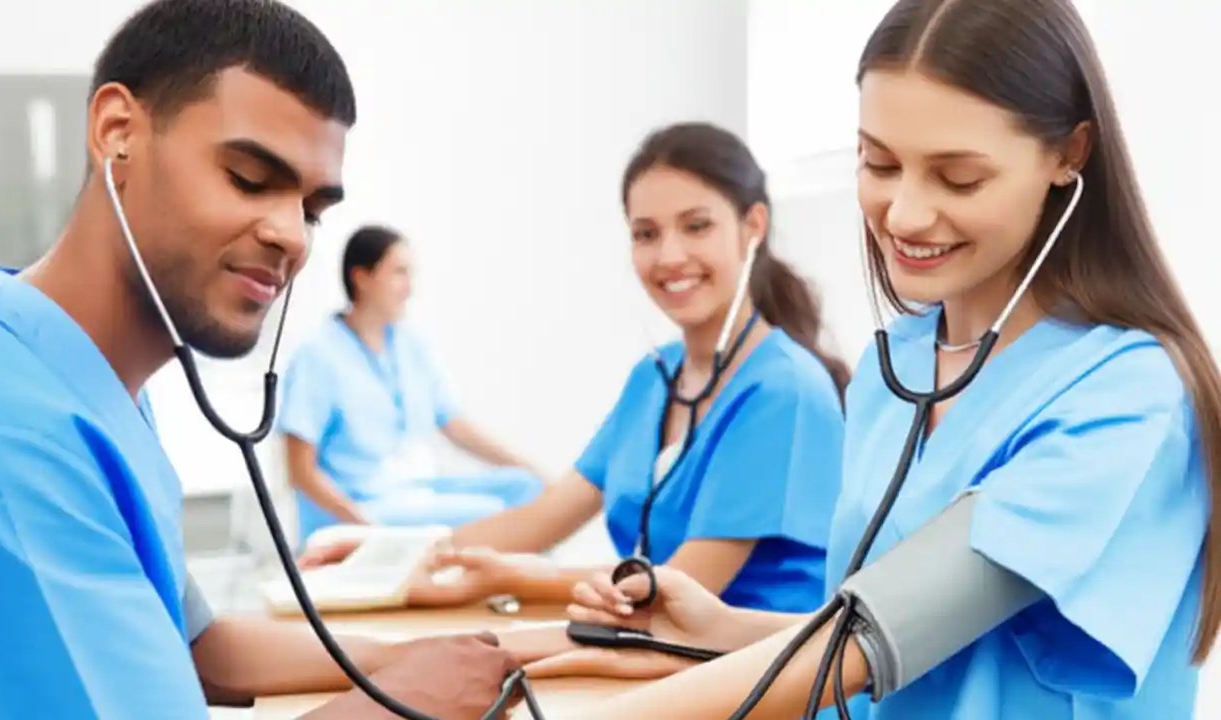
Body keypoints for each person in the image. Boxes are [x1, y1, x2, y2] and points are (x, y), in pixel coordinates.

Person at [545, 0, 1221, 717]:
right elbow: (922, 654)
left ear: (1069, 154)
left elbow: (876, 640)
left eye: (958, 177)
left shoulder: (1127, 396)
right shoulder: (892, 369)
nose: (903, 214)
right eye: (879, 163)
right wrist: (719, 629)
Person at [0, 1, 525, 718]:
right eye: (249, 178)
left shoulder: (83, 379)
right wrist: (402, 703)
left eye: (311, 209)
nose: (291, 237)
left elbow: (196, 648)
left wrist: (445, 652)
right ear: (117, 133)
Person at [304, 122, 851, 619]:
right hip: (659, 654)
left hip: (761, 688)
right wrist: (391, 551)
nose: (669, 256)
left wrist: (521, 577)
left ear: (753, 227)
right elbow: (541, 517)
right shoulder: (653, 379)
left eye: (697, 226)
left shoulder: (785, 390)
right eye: (646, 233)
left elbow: (683, 590)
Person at [279, 224, 544, 542]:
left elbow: (455, 425)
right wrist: (365, 528)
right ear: (361, 277)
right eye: (399, 273)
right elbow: (300, 472)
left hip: (417, 491)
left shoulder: (409, 345)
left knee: (527, 490)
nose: (409, 288)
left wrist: (534, 471)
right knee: (492, 513)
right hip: (362, 507)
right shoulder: (317, 355)